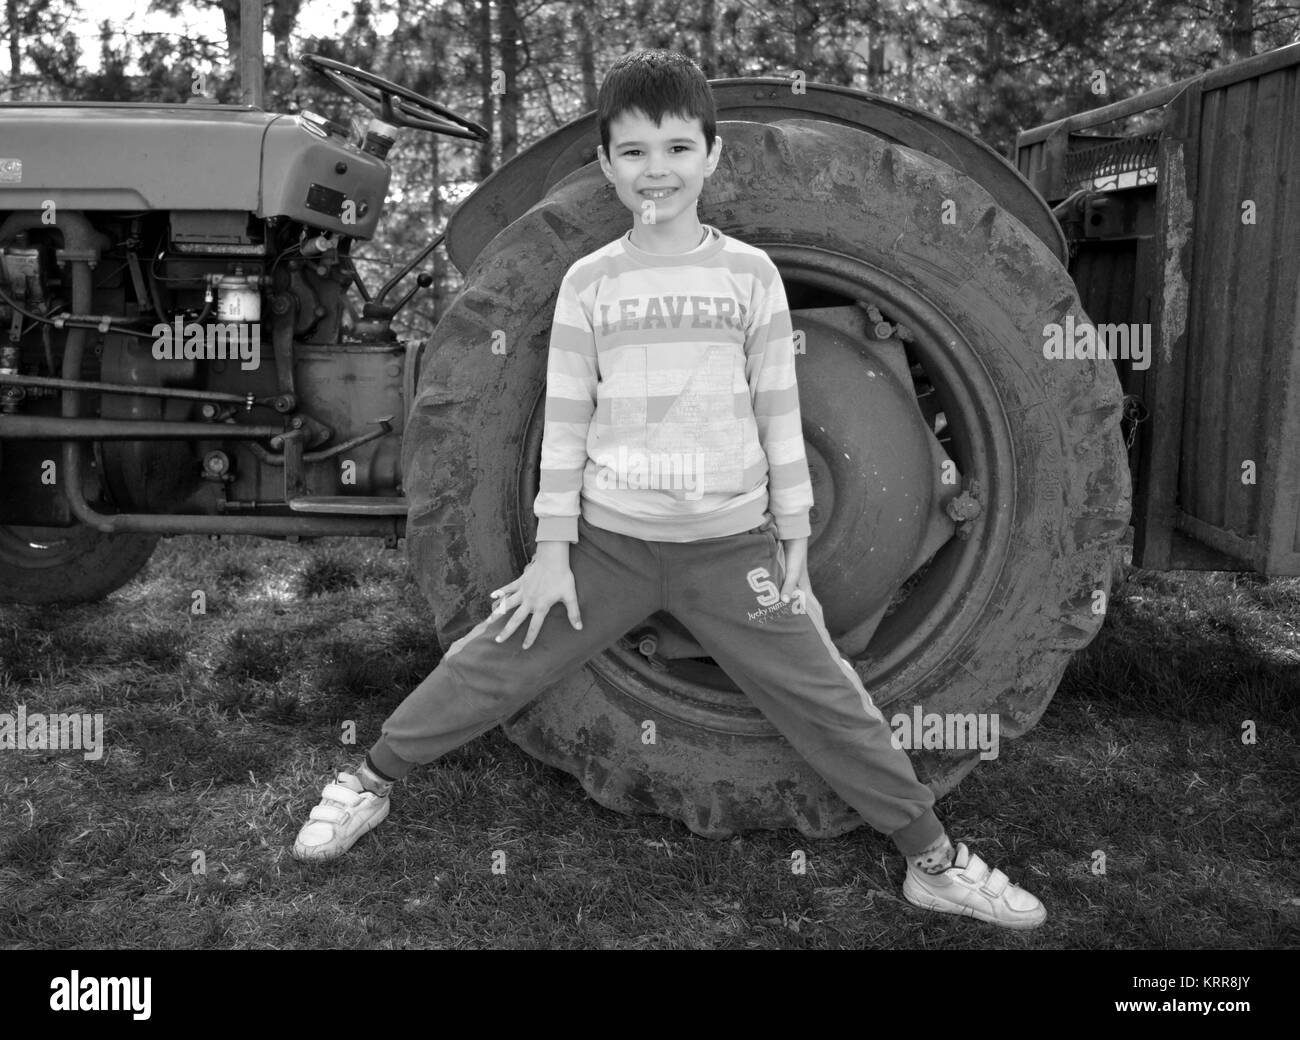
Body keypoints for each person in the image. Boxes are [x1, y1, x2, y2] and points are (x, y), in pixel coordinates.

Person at [292, 49, 1046, 930]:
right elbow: (566, 424)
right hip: (611, 547)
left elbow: (776, 412)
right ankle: (370, 779)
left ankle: (934, 862)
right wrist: (551, 554)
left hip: (731, 551)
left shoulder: (750, 278)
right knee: (494, 660)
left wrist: (795, 539)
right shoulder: (590, 282)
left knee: (826, 700)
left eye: (678, 149)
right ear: (607, 165)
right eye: (637, 153)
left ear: (712, 157)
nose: (659, 171)